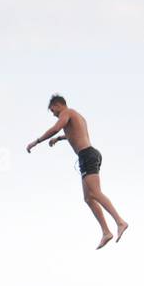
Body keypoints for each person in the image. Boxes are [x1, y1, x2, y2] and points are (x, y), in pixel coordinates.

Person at [26, 94, 128, 250]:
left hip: (87, 155)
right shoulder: (77, 116)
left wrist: (37, 141)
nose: (54, 114)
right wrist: (59, 139)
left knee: (95, 192)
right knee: (88, 197)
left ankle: (120, 221)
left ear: (59, 105)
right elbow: (74, 134)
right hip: (89, 154)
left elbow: (55, 128)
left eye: (53, 111)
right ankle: (106, 232)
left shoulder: (67, 112)